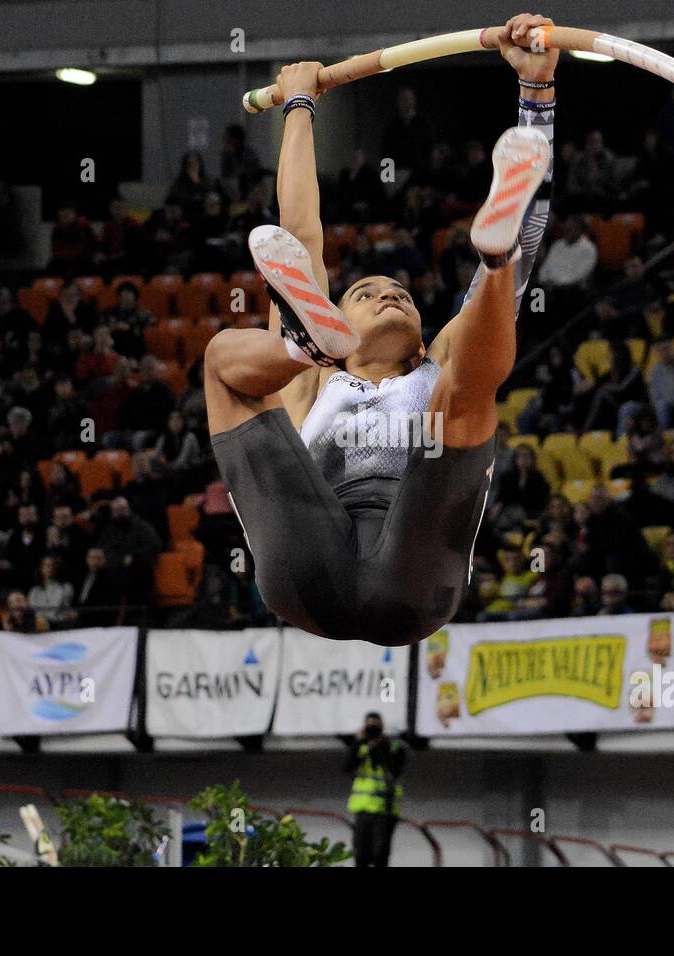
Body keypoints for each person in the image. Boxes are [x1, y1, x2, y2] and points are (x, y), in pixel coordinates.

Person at [206, 14, 556, 646]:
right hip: (309, 564)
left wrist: (537, 96)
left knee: (467, 390)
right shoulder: (314, 382)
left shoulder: (437, 362)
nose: (387, 293)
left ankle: (492, 255)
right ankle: (294, 335)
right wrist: (300, 106)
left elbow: (533, 248)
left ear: (423, 337)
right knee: (222, 363)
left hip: (413, 577)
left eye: (399, 294)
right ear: (338, 325)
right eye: (364, 293)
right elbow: (299, 229)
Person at [343, 711, 406, 867]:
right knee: (360, 855)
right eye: (369, 727)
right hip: (363, 810)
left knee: (380, 856)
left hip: (385, 811)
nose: (372, 731)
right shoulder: (362, 747)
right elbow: (346, 767)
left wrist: (380, 745)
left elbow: (395, 770)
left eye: (375, 727)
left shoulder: (392, 746)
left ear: (382, 727)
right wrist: (359, 742)